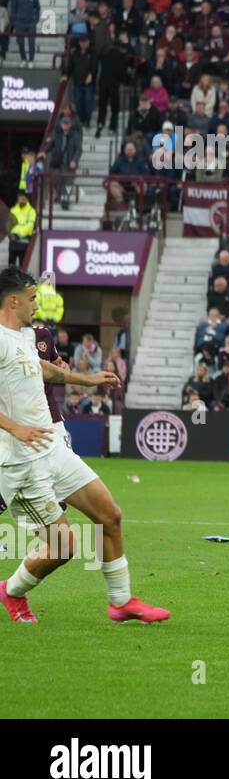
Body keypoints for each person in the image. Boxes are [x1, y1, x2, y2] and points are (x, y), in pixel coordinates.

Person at [0, 267, 170, 624]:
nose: (37, 304)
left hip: (52, 448)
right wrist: (15, 427)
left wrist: (89, 380)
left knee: (110, 515)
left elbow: (45, 369)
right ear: (13, 301)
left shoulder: (26, 336)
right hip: (20, 463)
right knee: (63, 547)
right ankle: (11, 591)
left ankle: (121, 602)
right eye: (32, 298)